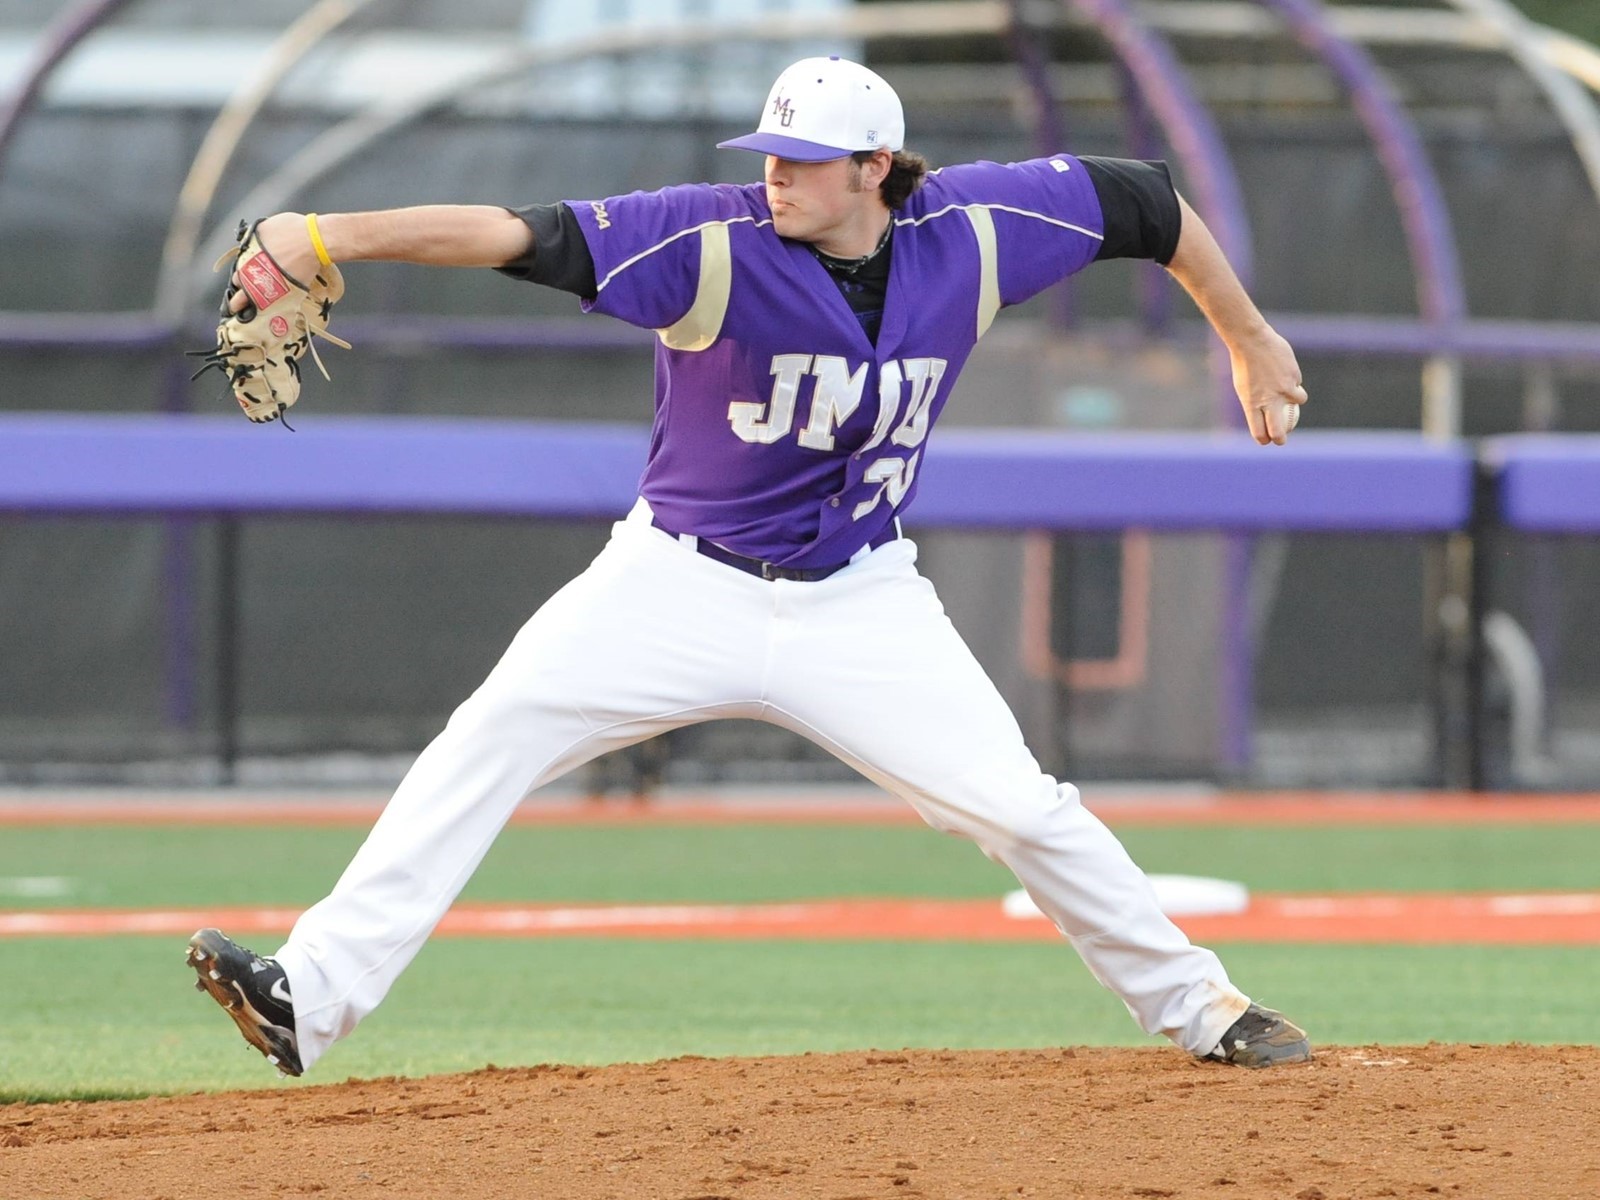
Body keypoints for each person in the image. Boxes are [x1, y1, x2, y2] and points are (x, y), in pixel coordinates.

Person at [187, 56, 1311, 1077]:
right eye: (770, 151)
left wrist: (1249, 336)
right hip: (675, 583)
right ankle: (307, 995)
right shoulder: (707, 239)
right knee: (487, 739)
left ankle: (1203, 1010)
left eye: (805, 159)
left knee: (1024, 813)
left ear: (875, 167)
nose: (776, 173)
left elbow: (1149, 205)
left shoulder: (977, 229)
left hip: (861, 597)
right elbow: (513, 233)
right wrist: (325, 236)